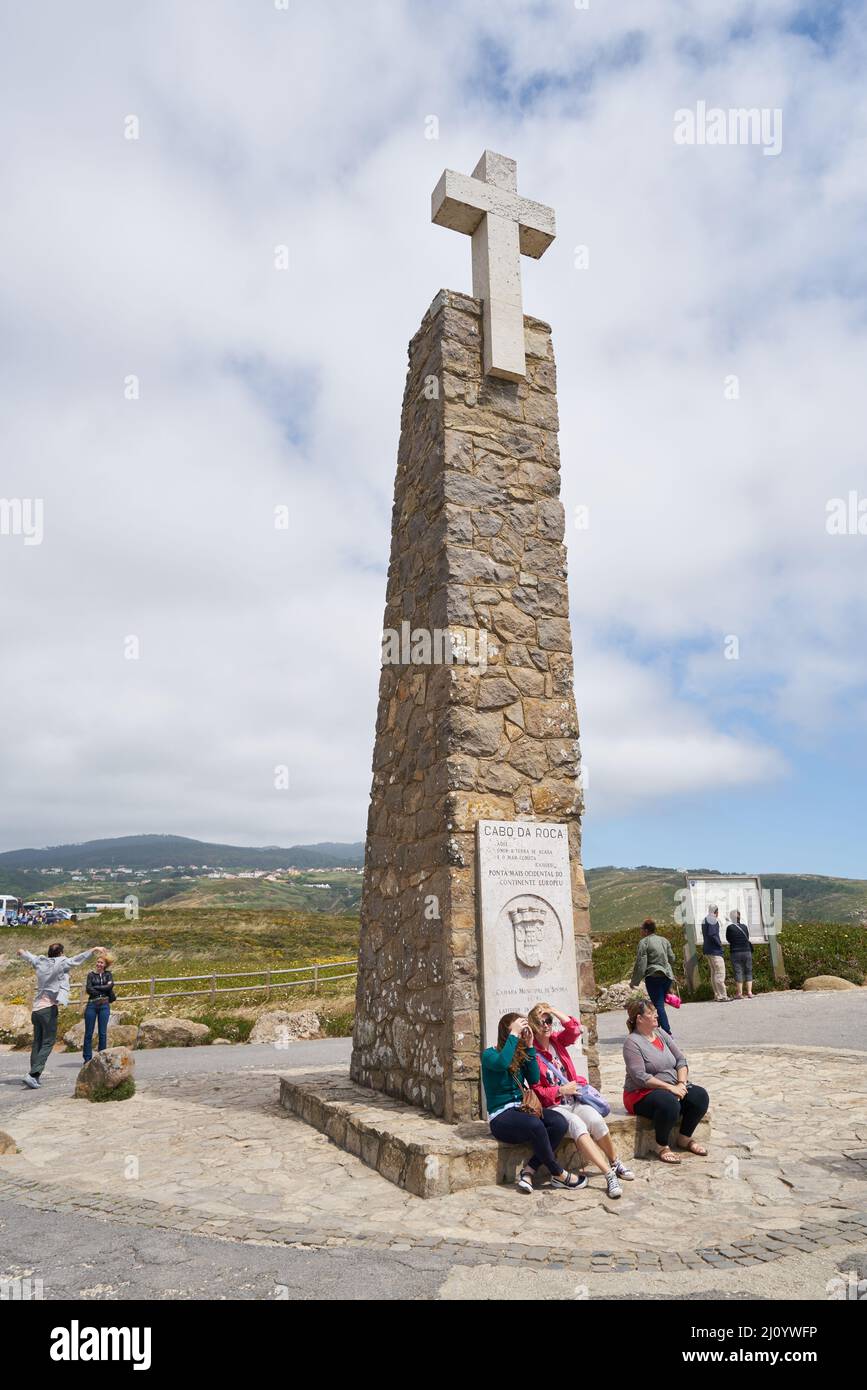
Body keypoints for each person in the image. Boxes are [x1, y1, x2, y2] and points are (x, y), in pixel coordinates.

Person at [528, 1002, 634, 1199]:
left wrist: (553, 1010)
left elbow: (575, 1029)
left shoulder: (557, 1042)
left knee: (595, 1120)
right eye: (541, 1022)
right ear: (533, 1026)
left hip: (574, 1100)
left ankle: (614, 1161)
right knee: (577, 1126)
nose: (546, 1025)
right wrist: (560, 1089)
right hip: (554, 1107)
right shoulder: (531, 1054)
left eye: (548, 1021)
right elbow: (537, 1091)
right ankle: (609, 1175)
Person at [482, 1012, 587, 1193]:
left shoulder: (520, 1054)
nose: (521, 1033)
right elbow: (502, 1063)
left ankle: (529, 1170)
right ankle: (559, 1173)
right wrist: (514, 1035)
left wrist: (530, 1047)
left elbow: (533, 1079)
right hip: (501, 1117)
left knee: (559, 1122)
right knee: (535, 1124)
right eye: (516, 1031)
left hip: (522, 1109)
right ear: (506, 1033)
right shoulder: (489, 1054)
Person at [622, 997, 709, 1164]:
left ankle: (684, 1138)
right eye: (651, 1013)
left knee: (699, 1096)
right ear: (639, 1019)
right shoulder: (632, 1042)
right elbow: (640, 1076)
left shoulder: (661, 1033)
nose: (656, 1016)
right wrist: (670, 1088)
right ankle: (661, 1145)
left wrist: (681, 1084)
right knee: (669, 1103)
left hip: (672, 1087)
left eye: (655, 1012)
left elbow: (681, 1060)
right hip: (641, 1094)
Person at [17, 942, 106, 1088]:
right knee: (48, 1042)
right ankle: (33, 1074)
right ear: (60, 953)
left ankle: (33, 1073)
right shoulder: (61, 963)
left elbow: (29, 957)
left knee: (37, 1042)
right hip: (48, 1009)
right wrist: (94, 949)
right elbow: (77, 959)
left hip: (36, 1009)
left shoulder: (40, 961)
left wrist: (21, 952)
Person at [630, 918, 677, 1034]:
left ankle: (667, 1032)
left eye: (641, 929)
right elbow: (672, 958)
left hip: (653, 977)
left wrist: (634, 981)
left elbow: (641, 964)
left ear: (646, 931)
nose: (641, 931)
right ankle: (658, 1028)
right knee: (658, 1003)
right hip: (667, 977)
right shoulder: (664, 940)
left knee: (659, 1005)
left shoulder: (644, 942)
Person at [82, 951, 116, 1062]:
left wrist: (97, 987)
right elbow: (89, 989)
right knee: (88, 1033)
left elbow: (109, 987)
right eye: (98, 962)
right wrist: (102, 988)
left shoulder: (108, 975)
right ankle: (87, 1059)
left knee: (102, 1033)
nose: (99, 964)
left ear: (105, 965)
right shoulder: (91, 975)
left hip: (104, 1005)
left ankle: (102, 1057)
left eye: (101, 963)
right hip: (92, 1004)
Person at [701, 904, 729, 1002]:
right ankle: (723, 995)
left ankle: (717, 994)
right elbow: (712, 934)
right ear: (716, 911)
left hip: (707, 949)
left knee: (713, 973)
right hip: (715, 950)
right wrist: (719, 944)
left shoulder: (705, 919)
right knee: (720, 973)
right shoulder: (713, 920)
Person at [726, 909, 754, 999]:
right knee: (748, 971)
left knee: (738, 972)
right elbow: (747, 937)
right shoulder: (744, 927)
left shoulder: (730, 928)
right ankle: (749, 992)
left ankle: (740, 993)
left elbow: (728, 939)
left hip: (735, 952)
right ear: (739, 917)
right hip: (747, 951)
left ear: (731, 918)